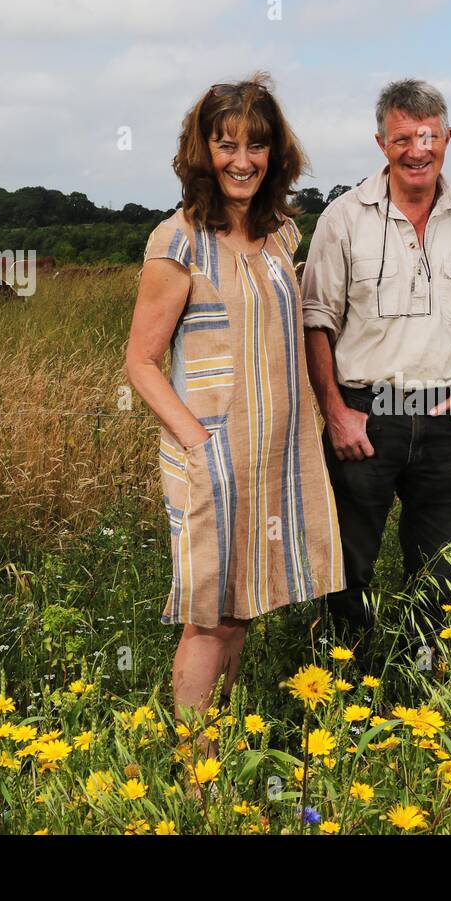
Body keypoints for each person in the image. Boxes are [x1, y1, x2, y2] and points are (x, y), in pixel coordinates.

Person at [125, 74, 344, 752]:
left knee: (241, 611)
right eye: (226, 145)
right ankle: (196, 775)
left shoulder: (282, 233)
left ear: (276, 153)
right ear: (203, 151)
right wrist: (196, 443)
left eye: (256, 145)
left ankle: (219, 751)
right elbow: (139, 361)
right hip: (208, 456)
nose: (242, 160)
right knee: (207, 616)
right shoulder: (177, 241)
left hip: (272, 457)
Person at [302, 78, 451, 650]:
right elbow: (316, 322)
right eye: (402, 138)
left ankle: (425, 678)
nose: (416, 150)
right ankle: (344, 675)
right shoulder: (342, 219)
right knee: (348, 563)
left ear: (446, 137)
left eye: (428, 136)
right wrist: (337, 414)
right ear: (381, 143)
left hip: (446, 421)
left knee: (441, 569)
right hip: (365, 417)